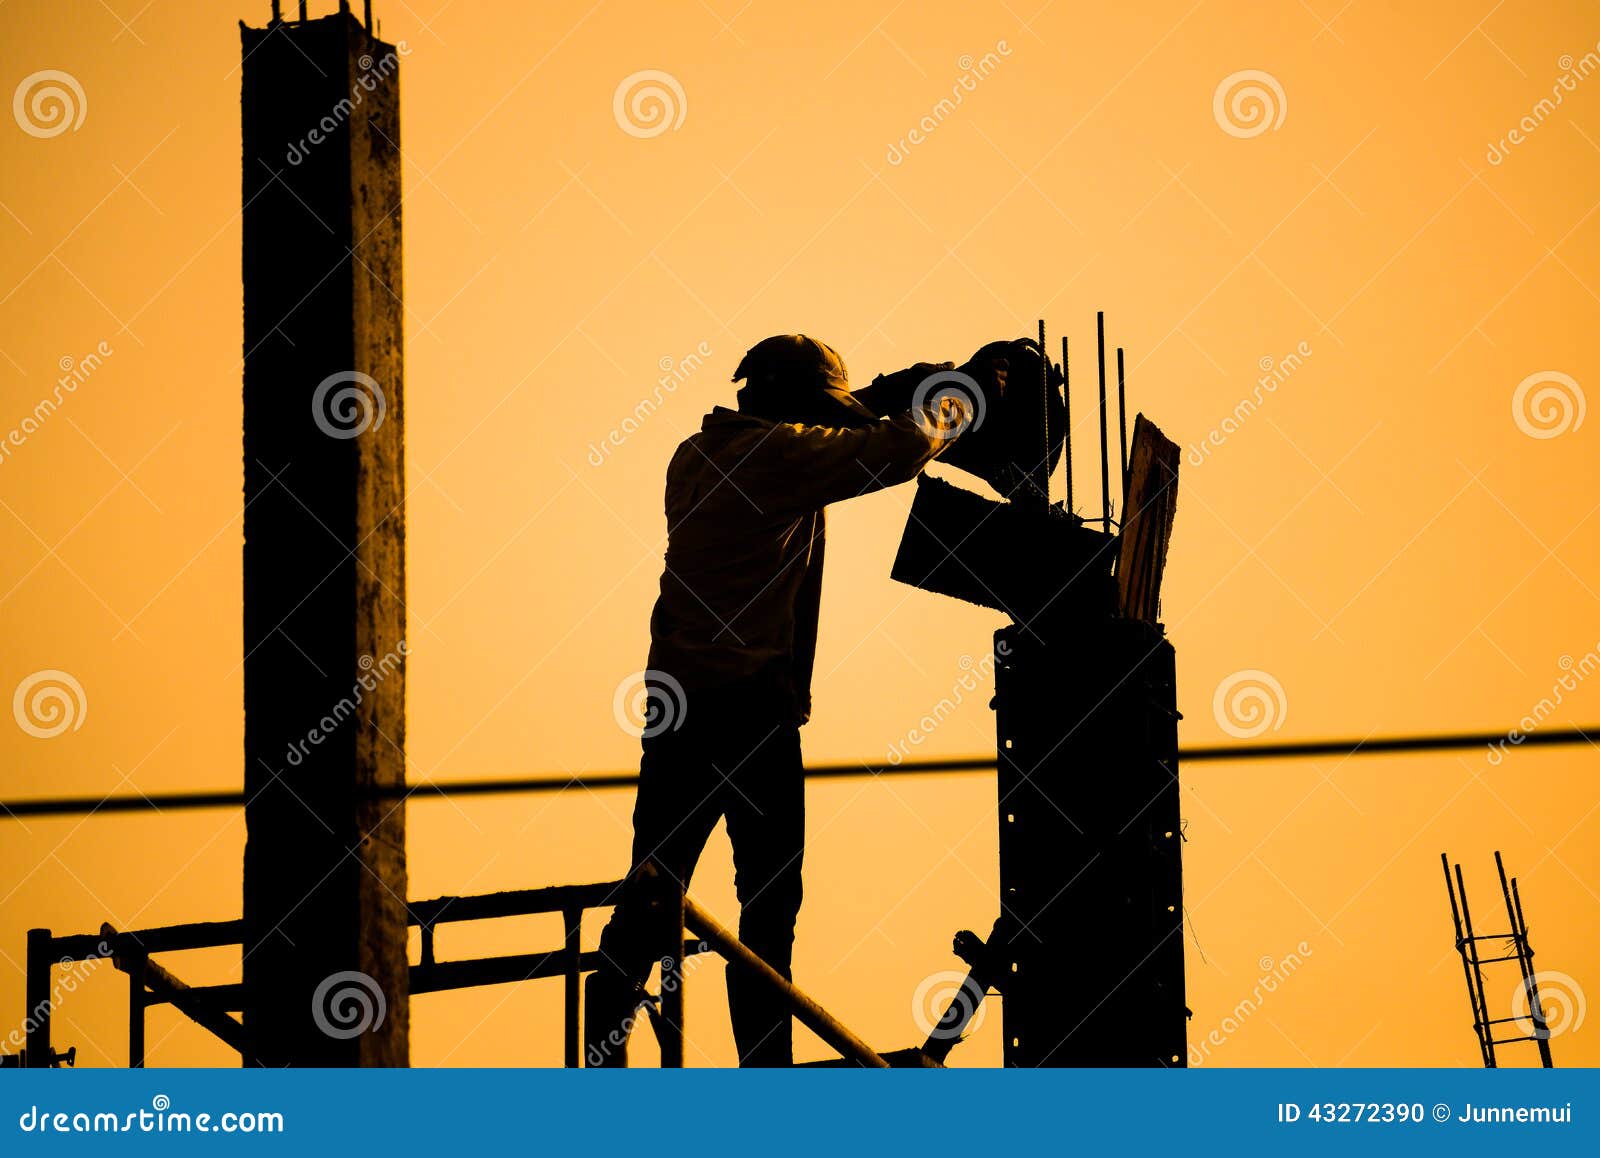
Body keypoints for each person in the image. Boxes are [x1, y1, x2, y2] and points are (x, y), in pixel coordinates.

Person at [586, 334, 1003, 1067]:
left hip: (678, 708)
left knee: (653, 891)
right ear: (789, 405)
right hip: (747, 713)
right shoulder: (774, 459)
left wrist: (869, 398)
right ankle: (765, 1079)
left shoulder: (697, 453)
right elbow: (888, 453)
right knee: (769, 909)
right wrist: (958, 395)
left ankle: (599, 1059)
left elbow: (832, 438)